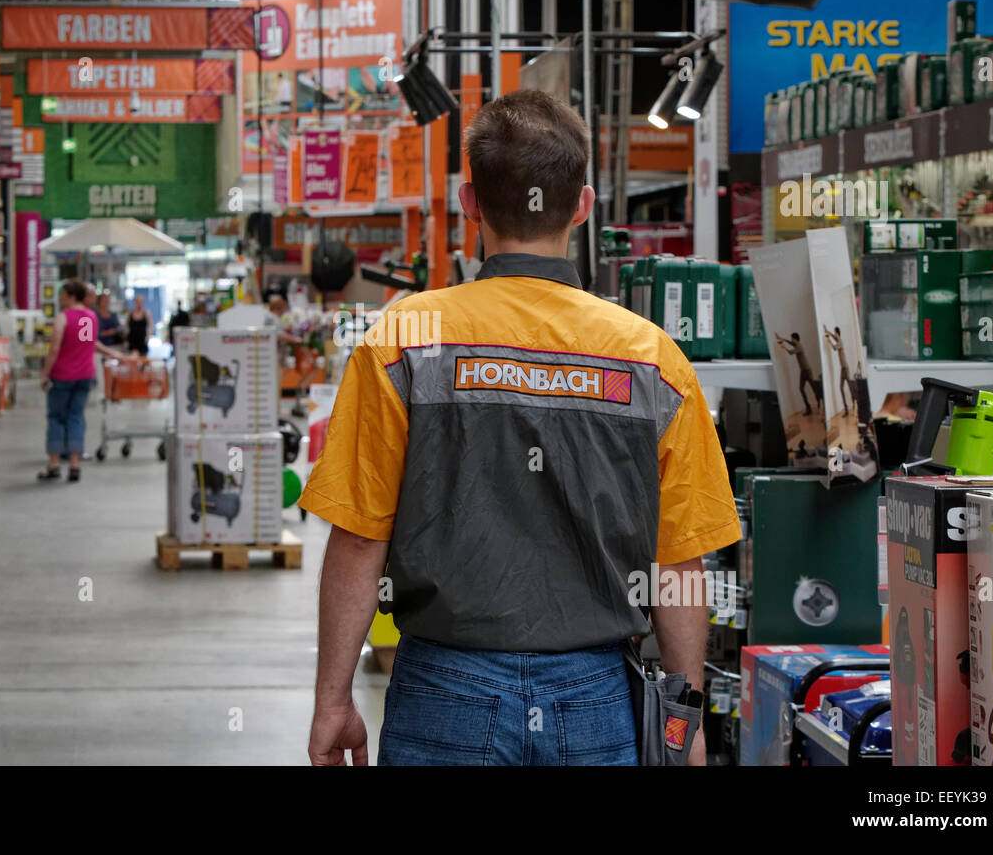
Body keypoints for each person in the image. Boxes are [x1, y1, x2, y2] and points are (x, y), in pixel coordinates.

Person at [298, 90, 741, 767]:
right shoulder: (652, 360)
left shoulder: (402, 342)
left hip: (442, 697)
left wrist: (332, 700)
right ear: (583, 207)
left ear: (469, 203)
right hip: (596, 703)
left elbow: (360, 539)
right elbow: (678, 560)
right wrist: (686, 722)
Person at [38, 279, 126, 483]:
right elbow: (90, 343)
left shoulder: (63, 318)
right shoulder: (89, 317)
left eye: (63, 295)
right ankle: (75, 464)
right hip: (85, 375)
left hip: (61, 375)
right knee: (76, 416)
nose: (60, 298)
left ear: (71, 296)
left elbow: (54, 349)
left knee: (56, 418)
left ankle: (54, 464)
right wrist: (111, 352)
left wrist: (44, 374)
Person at [775, 331, 824, 416]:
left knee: (814, 389)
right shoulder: (796, 344)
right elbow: (790, 342)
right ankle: (808, 408)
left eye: (792, 338)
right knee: (801, 389)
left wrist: (784, 348)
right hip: (803, 371)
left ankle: (820, 405)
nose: (791, 340)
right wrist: (781, 338)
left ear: (795, 339)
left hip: (808, 371)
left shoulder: (799, 346)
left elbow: (791, 353)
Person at [823, 325, 854, 417]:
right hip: (842, 368)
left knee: (851, 388)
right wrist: (827, 331)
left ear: (837, 333)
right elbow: (833, 337)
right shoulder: (838, 339)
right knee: (841, 388)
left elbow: (834, 348)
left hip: (845, 368)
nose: (834, 334)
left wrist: (829, 342)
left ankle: (855, 407)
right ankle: (846, 410)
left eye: (834, 332)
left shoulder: (840, 341)